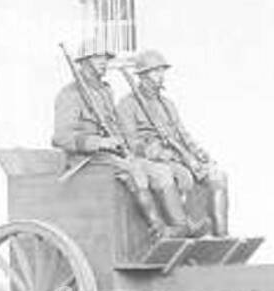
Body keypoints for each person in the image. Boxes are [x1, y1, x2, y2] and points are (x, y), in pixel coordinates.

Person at [52, 39, 207, 239]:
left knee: (160, 171)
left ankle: (180, 226)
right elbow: (60, 137)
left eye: (105, 58)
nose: (104, 62)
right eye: (98, 57)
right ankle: (158, 228)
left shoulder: (104, 91)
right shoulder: (70, 95)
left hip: (110, 156)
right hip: (85, 160)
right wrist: (98, 143)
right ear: (83, 62)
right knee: (135, 170)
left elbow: (114, 126)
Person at [117, 48, 230, 236]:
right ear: (142, 75)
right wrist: (161, 154)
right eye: (155, 71)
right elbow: (132, 144)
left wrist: (199, 154)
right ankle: (180, 228)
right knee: (167, 174)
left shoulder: (167, 104)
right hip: (153, 160)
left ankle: (221, 236)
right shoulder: (127, 104)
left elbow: (183, 135)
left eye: (162, 71)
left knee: (218, 176)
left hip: (177, 157)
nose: (160, 76)